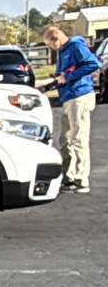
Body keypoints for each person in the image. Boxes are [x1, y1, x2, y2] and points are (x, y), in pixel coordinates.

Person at [43, 25, 102, 193]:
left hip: (80, 96)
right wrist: (48, 86)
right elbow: (64, 76)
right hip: (68, 97)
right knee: (65, 139)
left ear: (56, 38)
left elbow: (93, 64)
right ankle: (69, 176)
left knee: (78, 138)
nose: (50, 48)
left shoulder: (76, 46)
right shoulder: (63, 51)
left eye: (49, 44)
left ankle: (82, 179)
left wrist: (68, 77)